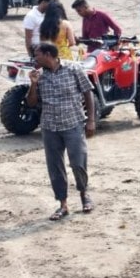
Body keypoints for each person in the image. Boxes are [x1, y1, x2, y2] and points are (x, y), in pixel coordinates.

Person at [25, 42, 95, 221]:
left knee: (78, 162)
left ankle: (84, 194)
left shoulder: (73, 69)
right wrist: (33, 84)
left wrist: (91, 121)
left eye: (37, 55)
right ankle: (63, 204)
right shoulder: (38, 76)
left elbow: (88, 93)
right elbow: (31, 103)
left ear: (48, 54)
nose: (35, 58)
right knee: (55, 167)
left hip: (73, 124)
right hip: (50, 127)